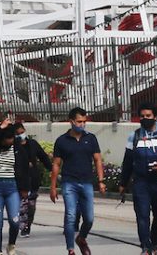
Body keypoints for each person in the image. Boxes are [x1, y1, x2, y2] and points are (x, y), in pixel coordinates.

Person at [119, 102, 157, 255]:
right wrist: (123, 183)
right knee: (142, 215)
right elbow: (127, 161)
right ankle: (145, 247)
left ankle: (156, 243)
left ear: (155, 117)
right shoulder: (134, 136)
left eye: (148, 116)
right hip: (141, 183)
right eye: (142, 116)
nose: (145, 119)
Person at [51, 107, 105, 255]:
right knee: (70, 215)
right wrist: (53, 187)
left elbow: (98, 160)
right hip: (69, 182)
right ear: (71, 121)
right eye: (79, 121)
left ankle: (81, 238)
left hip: (87, 182)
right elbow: (56, 164)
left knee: (89, 218)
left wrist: (101, 181)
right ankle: (71, 249)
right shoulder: (61, 141)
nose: (82, 124)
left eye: (84, 121)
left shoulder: (91, 138)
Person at [0, 119, 30, 255]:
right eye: (5, 140)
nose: (8, 143)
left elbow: (24, 169)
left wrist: (25, 188)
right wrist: (0, 127)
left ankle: (11, 244)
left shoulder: (18, 149)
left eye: (11, 140)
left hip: (12, 188)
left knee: (14, 221)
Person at [14, 122, 52, 238]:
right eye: (18, 134)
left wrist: (51, 169)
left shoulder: (33, 144)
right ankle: (22, 226)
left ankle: (27, 225)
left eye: (22, 132)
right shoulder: (13, 147)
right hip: (19, 181)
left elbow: (43, 157)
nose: (21, 135)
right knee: (22, 205)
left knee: (31, 206)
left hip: (32, 180)